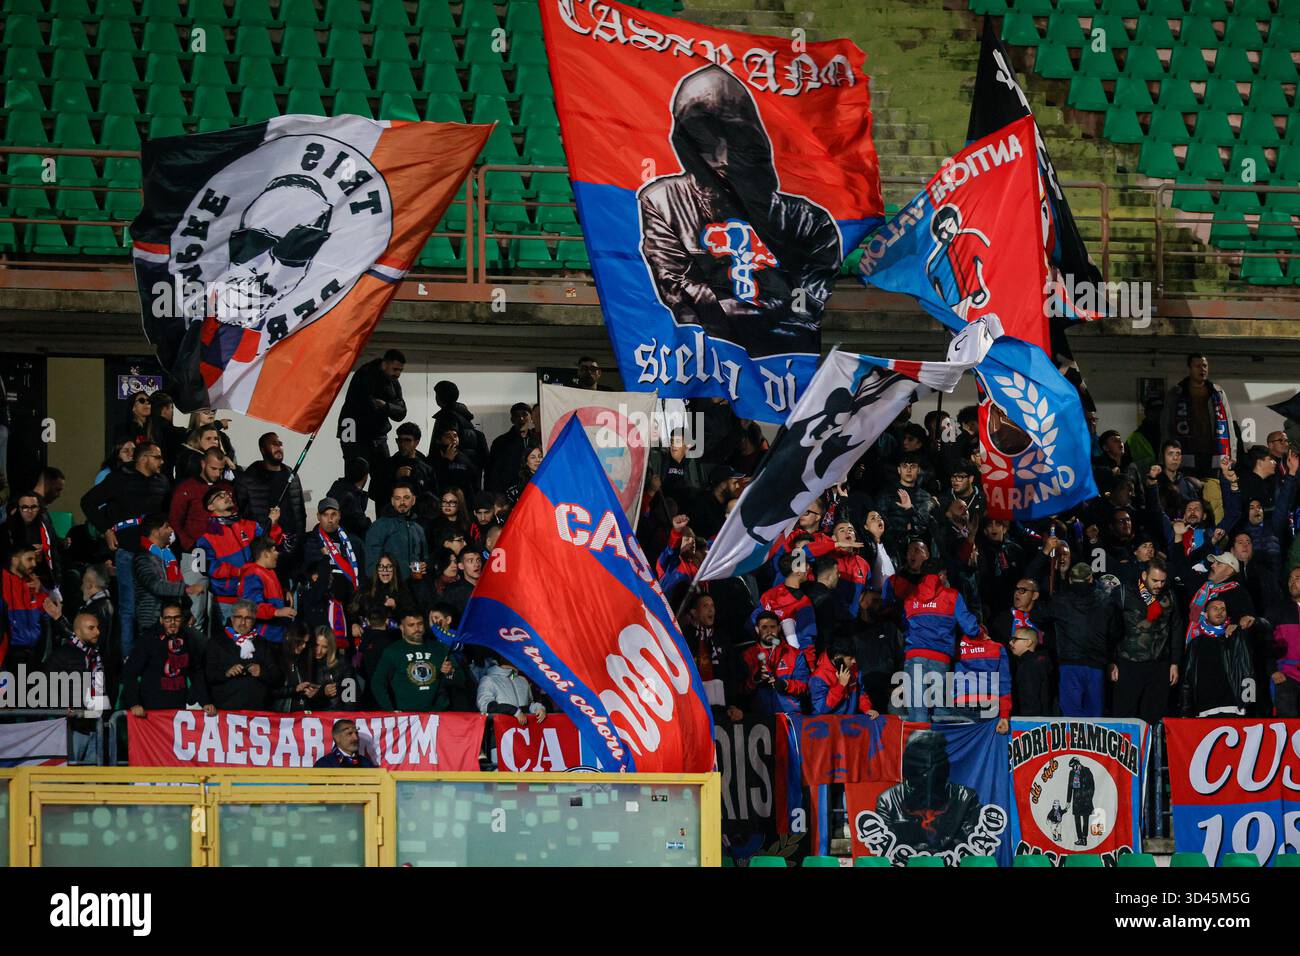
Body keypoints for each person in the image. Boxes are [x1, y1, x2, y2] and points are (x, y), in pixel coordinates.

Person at [636, 64, 840, 356]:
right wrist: (736, 308)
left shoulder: (806, 220)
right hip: (707, 351)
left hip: (782, 353)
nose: (722, 157)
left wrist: (768, 306)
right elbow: (674, 284)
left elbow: (811, 295)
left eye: (734, 137)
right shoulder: (663, 202)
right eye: (706, 139)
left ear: (753, 140)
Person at [79, 441, 170, 655]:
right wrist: (106, 529)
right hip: (127, 550)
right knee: (128, 608)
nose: (162, 462)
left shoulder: (163, 482)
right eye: (157, 457)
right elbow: (88, 502)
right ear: (144, 458)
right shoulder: (119, 479)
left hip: (155, 554)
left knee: (154, 605)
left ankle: (152, 656)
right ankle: (128, 658)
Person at [885, 564, 979, 723]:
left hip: (914, 657)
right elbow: (971, 628)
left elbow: (904, 626)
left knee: (917, 711)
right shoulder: (952, 596)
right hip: (941, 660)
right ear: (941, 575)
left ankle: (920, 738)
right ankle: (942, 739)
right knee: (939, 711)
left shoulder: (910, 597)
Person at [1036, 563, 1120, 717]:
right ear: (1091, 579)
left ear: (1070, 579)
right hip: (1096, 665)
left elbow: (1037, 615)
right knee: (1095, 717)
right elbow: (1115, 633)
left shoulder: (1060, 600)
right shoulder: (1106, 601)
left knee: (1071, 715)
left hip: (1070, 664)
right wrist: (1112, 659)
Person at [197, 483, 283, 627]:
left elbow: (269, 547)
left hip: (254, 596)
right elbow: (208, 567)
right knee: (229, 639)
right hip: (227, 600)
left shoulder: (250, 526)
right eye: (220, 496)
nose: (226, 497)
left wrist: (273, 525)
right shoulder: (206, 537)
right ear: (210, 506)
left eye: (227, 494)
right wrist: (239, 571)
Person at [1112, 557, 1183, 725]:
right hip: (1129, 663)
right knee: (1124, 715)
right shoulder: (1124, 593)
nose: (1159, 585)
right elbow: (1111, 628)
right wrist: (1111, 661)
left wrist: (1175, 662)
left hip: (1159, 665)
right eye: (1155, 580)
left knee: (1154, 717)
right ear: (1144, 575)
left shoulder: (1170, 595)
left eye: (1162, 581)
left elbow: (1176, 628)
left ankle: (1152, 744)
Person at [122, 600, 214, 716]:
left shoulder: (189, 639)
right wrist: (134, 703)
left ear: (182, 619)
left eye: (176, 618)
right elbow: (130, 672)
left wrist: (205, 701)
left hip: (178, 707)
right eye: (168, 619)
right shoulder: (148, 639)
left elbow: (196, 672)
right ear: (161, 620)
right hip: (151, 707)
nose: (172, 623)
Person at [370, 609, 467, 711]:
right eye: (411, 625)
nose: (417, 628)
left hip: (438, 714)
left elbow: (461, 680)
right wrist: (390, 710)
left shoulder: (440, 648)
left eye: (420, 624)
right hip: (407, 715)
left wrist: (450, 672)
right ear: (402, 628)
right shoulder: (393, 651)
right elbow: (377, 683)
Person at [46, 611, 110, 764]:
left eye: (97, 627)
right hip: (73, 727)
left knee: (94, 776)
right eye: (91, 628)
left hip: (97, 725)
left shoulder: (97, 655)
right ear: (78, 631)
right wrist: (63, 709)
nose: (97, 632)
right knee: (69, 773)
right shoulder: (61, 655)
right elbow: (47, 687)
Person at [300, 498, 362, 652]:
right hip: (318, 606)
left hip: (346, 605)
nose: (329, 519)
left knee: (343, 653)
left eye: (333, 514)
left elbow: (361, 576)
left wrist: (355, 618)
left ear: (339, 515)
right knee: (318, 650)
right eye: (325, 515)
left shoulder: (353, 542)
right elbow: (299, 569)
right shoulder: (308, 540)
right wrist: (315, 562)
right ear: (318, 516)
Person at [1162, 353, 1237, 478]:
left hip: (1213, 452)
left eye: (1204, 366)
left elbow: (1228, 423)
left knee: (1213, 487)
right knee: (1188, 486)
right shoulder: (1176, 393)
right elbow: (1166, 425)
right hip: (1186, 451)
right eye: (1197, 366)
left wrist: (1232, 454)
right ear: (1189, 369)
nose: (1202, 369)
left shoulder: (1217, 392)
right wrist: (1164, 457)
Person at [338, 349, 406, 484]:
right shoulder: (365, 375)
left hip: (372, 434)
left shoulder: (392, 382)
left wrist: (385, 406)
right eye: (395, 369)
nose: (398, 374)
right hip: (353, 431)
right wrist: (388, 407)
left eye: (400, 370)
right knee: (355, 477)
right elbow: (368, 406)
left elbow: (401, 412)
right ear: (385, 364)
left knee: (384, 478)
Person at [133, 513, 204, 640]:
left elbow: (177, 584)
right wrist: (187, 589)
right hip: (153, 622)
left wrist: (187, 613)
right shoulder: (143, 558)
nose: (171, 530)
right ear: (156, 532)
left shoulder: (168, 555)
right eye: (167, 527)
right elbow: (155, 585)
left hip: (174, 621)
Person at [1180, 597, 1253, 717]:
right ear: (1206, 614)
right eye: (1215, 608)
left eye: (1223, 609)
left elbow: (1248, 671)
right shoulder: (1195, 644)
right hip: (1205, 710)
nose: (1220, 612)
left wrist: (1249, 704)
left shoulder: (1237, 637)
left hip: (1235, 709)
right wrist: (1185, 712)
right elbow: (1186, 680)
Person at [205, 599, 281, 710]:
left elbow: (277, 677)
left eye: (248, 618)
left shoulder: (263, 644)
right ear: (232, 618)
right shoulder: (217, 643)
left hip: (257, 710)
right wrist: (226, 673)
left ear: (254, 620)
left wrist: (262, 672)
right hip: (226, 709)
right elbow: (207, 675)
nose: (243, 622)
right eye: (239, 617)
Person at [1, 543, 60, 670]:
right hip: (9, 656)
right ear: (15, 560)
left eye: (34, 559)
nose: (34, 564)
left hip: (34, 654)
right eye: (29, 559)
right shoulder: (3, 581)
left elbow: (49, 613)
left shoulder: (33, 584)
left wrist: (41, 590)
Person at [235, 432, 307, 536]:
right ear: (263, 450)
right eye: (274, 444)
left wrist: (301, 536)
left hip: (293, 540)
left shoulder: (292, 476)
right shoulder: (248, 479)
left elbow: (300, 511)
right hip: (264, 541)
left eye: (280, 444)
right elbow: (240, 514)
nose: (278, 447)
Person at [740, 611, 810, 715]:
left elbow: (805, 686)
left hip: (789, 714)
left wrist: (785, 684)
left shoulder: (794, 654)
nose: (769, 631)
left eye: (772, 627)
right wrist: (755, 679)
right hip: (760, 716)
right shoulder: (748, 655)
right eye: (764, 627)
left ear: (779, 628)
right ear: (757, 630)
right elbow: (741, 690)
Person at [364, 481, 428, 584]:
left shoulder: (418, 529)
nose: (402, 502)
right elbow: (371, 564)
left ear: (413, 500)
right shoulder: (379, 526)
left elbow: (424, 558)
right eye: (398, 498)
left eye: (406, 498)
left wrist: (425, 566)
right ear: (392, 501)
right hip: (390, 587)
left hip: (415, 588)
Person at [239, 536, 297, 644]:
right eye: (274, 550)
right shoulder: (253, 574)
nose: (277, 554)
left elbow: (269, 592)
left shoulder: (268, 572)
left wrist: (283, 592)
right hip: (263, 638)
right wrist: (277, 612)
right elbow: (252, 606)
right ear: (266, 554)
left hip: (276, 634)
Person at [953, 627, 1011, 730]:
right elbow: (1004, 683)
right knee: (985, 740)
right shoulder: (997, 648)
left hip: (960, 704)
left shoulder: (954, 647)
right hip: (989, 706)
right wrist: (1004, 715)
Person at [6, 491, 61, 594]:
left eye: (34, 507)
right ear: (16, 509)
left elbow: (53, 548)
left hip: (46, 579)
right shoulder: (7, 529)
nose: (30, 511)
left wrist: (43, 552)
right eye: (25, 507)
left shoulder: (44, 522)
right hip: (16, 580)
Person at [808, 638, 878, 717]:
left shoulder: (853, 669)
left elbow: (861, 693)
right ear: (837, 657)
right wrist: (840, 686)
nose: (854, 661)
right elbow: (821, 708)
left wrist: (867, 709)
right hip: (827, 722)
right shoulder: (818, 677)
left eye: (854, 657)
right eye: (850, 658)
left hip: (848, 721)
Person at [430, 380, 489, 470]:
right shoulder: (464, 417)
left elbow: (448, 449)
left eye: (437, 395)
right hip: (466, 470)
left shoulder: (447, 417)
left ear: (440, 397)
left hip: (452, 471)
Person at [375, 421, 435, 507]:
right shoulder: (387, 465)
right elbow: (377, 495)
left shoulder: (426, 468)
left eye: (407, 440)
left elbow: (432, 498)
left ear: (416, 442)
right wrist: (395, 479)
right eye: (399, 440)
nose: (402, 444)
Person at [486, 403, 541, 494]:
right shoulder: (501, 442)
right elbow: (492, 472)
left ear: (531, 418)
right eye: (516, 415)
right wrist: (495, 495)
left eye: (524, 414)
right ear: (512, 419)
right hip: (507, 494)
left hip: (533, 492)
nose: (521, 418)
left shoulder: (537, 441)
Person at [476, 658, 547, 723]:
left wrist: (538, 708)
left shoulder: (522, 680)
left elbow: (527, 706)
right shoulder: (489, 680)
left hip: (523, 730)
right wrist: (513, 711)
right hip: (500, 730)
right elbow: (485, 706)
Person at [1270, 566, 1300, 717]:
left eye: (1297, 578)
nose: (1292, 583)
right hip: (1286, 676)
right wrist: (1272, 670)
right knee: (1288, 724)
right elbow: (1263, 641)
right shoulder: (1277, 609)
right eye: (1290, 579)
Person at [429, 420, 482, 497]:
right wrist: (446, 461)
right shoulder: (433, 459)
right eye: (448, 436)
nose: (453, 439)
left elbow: (474, 485)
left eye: (455, 435)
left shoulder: (465, 459)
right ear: (439, 440)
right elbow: (435, 483)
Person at [1010, 626, 1053, 717]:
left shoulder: (1030, 665)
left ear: (1028, 642)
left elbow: (1030, 696)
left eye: (1015, 639)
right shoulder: (1032, 661)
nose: (1010, 643)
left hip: (1032, 720)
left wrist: (1029, 721)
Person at [326, 457, 373, 540]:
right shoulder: (351, 496)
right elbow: (361, 523)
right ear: (365, 477)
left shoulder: (337, 487)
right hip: (346, 539)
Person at [310, 626, 354, 712]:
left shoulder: (342, 664)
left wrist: (346, 717)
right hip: (311, 715)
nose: (319, 651)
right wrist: (323, 692)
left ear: (331, 647)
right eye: (317, 645)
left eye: (324, 647)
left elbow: (350, 697)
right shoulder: (304, 663)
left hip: (337, 714)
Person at [1064, 757, 1096, 848]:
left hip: (1085, 800)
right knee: (1077, 820)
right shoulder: (1071, 773)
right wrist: (1068, 801)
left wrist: (1089, 798)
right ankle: (1079, 839)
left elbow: (1092, 786)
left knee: (1085, 820)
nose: (1072, 768)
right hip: (1076, 800)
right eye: (1071, 767)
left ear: (1077, 764)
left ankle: (1084, 838)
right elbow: (1070, 787)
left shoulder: (1087, 771)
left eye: (1073, 766)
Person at [441, 547, 481, 618]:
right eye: (470, 561)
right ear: (461, 566)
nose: (476, 565)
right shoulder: (453, 591)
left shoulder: (488, 587)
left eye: (478, 560)